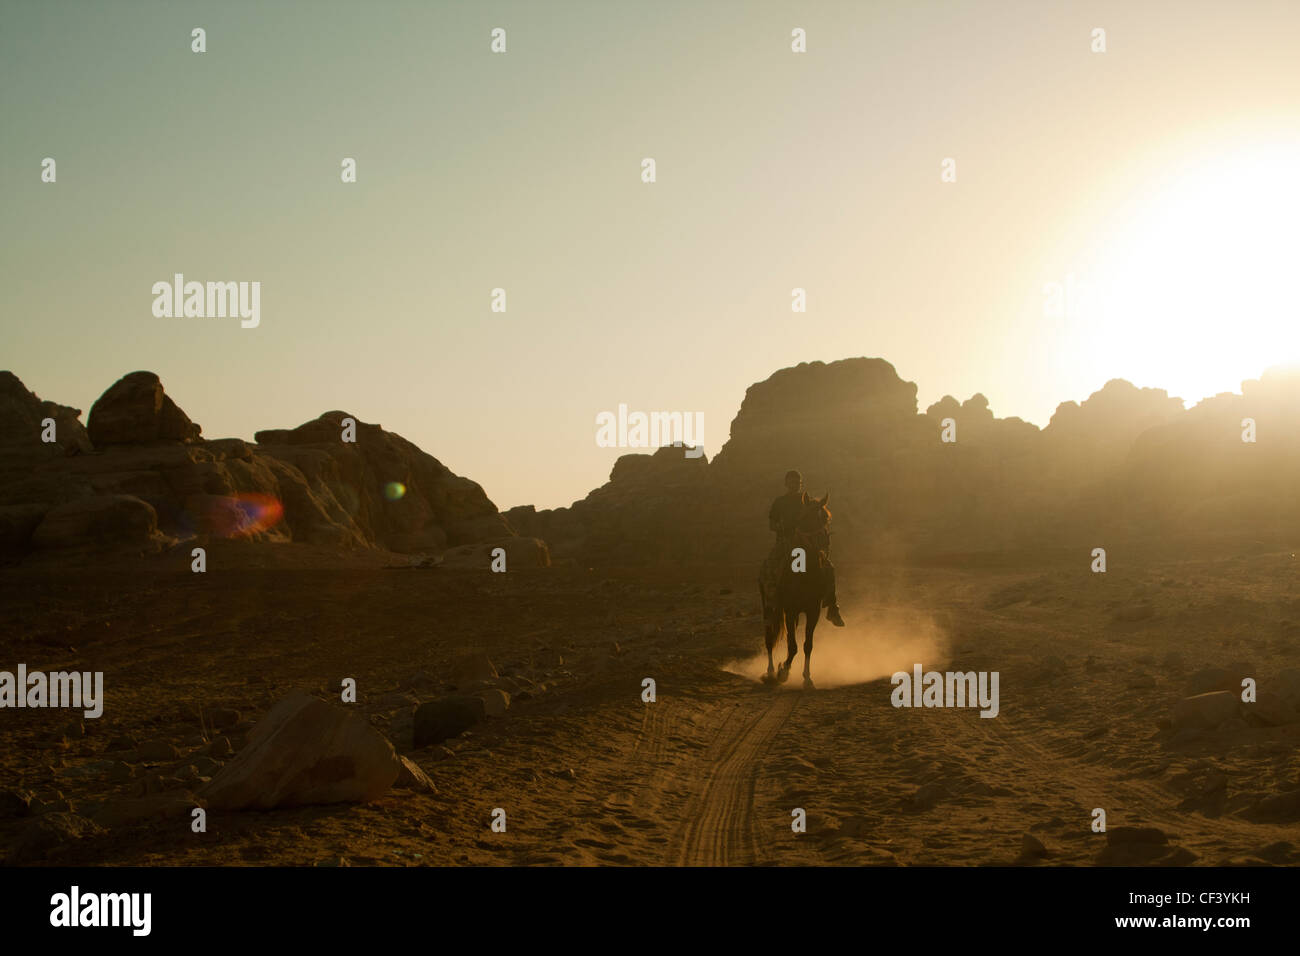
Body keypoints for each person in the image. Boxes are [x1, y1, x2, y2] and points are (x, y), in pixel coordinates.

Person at [764, 470, 845, 626]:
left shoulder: (807, 501)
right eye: (792, 482)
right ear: (786, 484)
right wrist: (782, 528)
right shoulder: (779, 502)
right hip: (785, 541)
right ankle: (771, 606)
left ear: (801, 484)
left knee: (828, 567)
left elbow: (818, 519)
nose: (794, 485)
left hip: (806, 541)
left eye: (797, 482)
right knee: (770, 567)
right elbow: (771, 524)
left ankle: (832, 608)